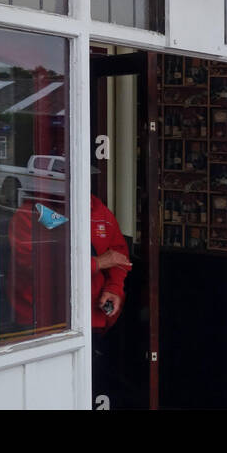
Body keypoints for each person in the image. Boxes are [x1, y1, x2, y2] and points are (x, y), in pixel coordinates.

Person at [90, 169, 132, 408]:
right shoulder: (36, 212)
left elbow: (120, 256)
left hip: (96, 321)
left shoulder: (100, 212)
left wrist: (114, 288)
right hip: (49, 325)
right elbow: (44, 264)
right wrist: (99, 262)